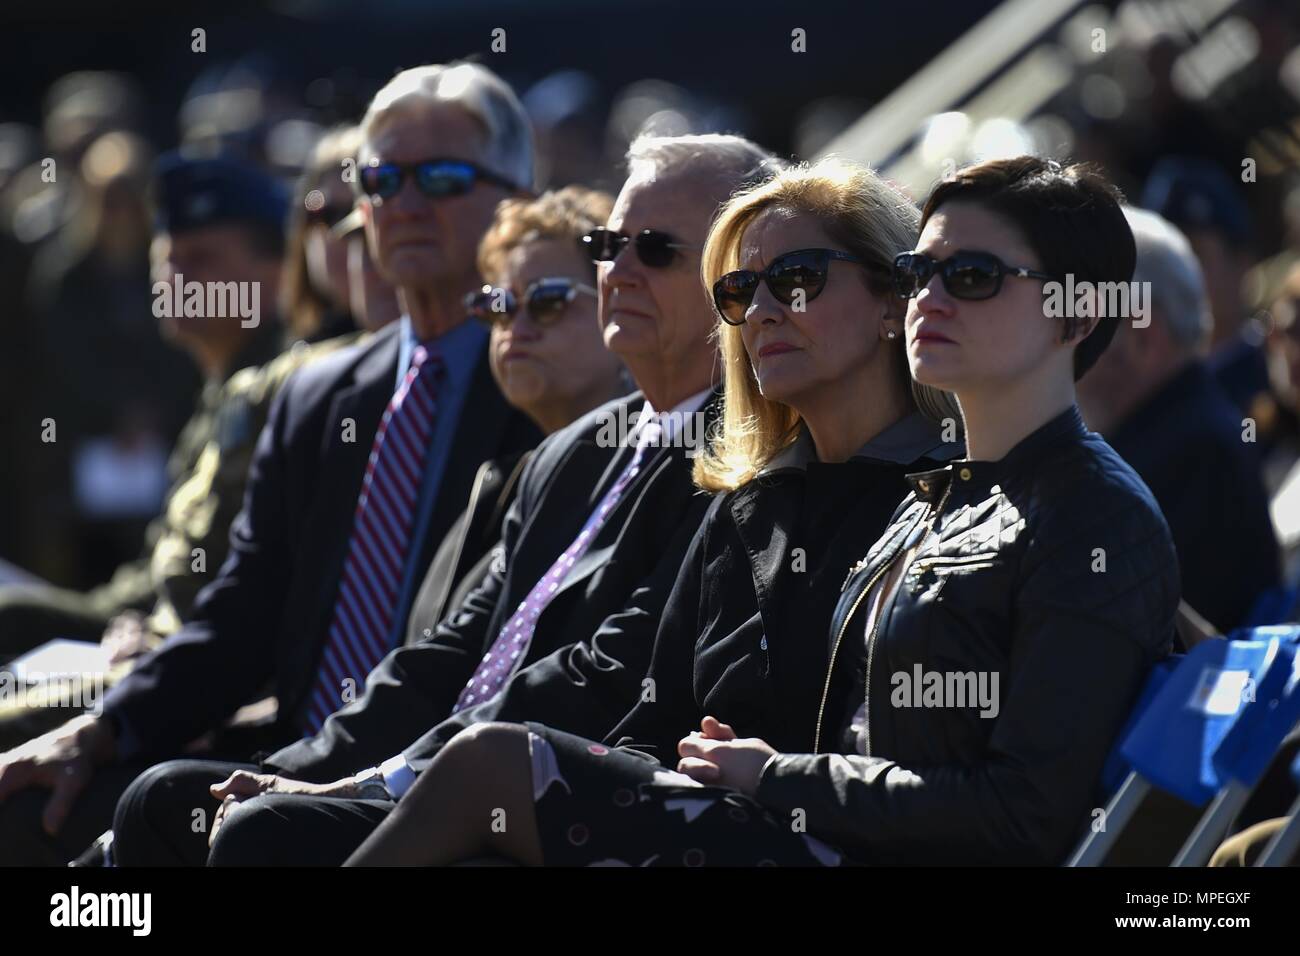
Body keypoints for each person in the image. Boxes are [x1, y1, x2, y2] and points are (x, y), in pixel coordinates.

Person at [342, 156, 1180, 868]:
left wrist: (773, 778)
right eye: (919, 273)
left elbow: (1025, 817)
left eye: (971, 277)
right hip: (814, 834)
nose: (929, 299)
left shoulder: (1095, 516)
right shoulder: (939, 498)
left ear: (1076, 310)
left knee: (496, 767)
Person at [112, 133, 775, 867]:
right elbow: (444, 657)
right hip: (435, 771)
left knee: (257, 835)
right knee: (167, 803)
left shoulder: (748, 455)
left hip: (556, 806)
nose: (617, 269)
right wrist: (300, 773)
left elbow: (597, 674)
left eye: (653, 249)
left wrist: (371, 783)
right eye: (606, 244)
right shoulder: (571, 452)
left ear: (739, 279)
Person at [0, 61, 542, 866]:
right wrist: (101, 729)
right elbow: (240, 615)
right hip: (279, 758)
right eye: (383, 179)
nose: (405, 203)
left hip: (432, 780)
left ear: (516, 203)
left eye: (443, 176)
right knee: (31, 806)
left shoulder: (544, 387)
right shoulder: (322, 394)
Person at [0, 153, 289, 663]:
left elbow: (224, 583)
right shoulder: (220, 383)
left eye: (201, 260)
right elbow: (158, 565)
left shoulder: (280, 387)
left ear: (277, 271)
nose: (176, 278)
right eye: (167, 258)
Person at [1078, 206, 1279, 633]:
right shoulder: (1187, 431)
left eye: (1082, 322)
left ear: (1141, 333)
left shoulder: (1190, 453)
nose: (1060, 345)